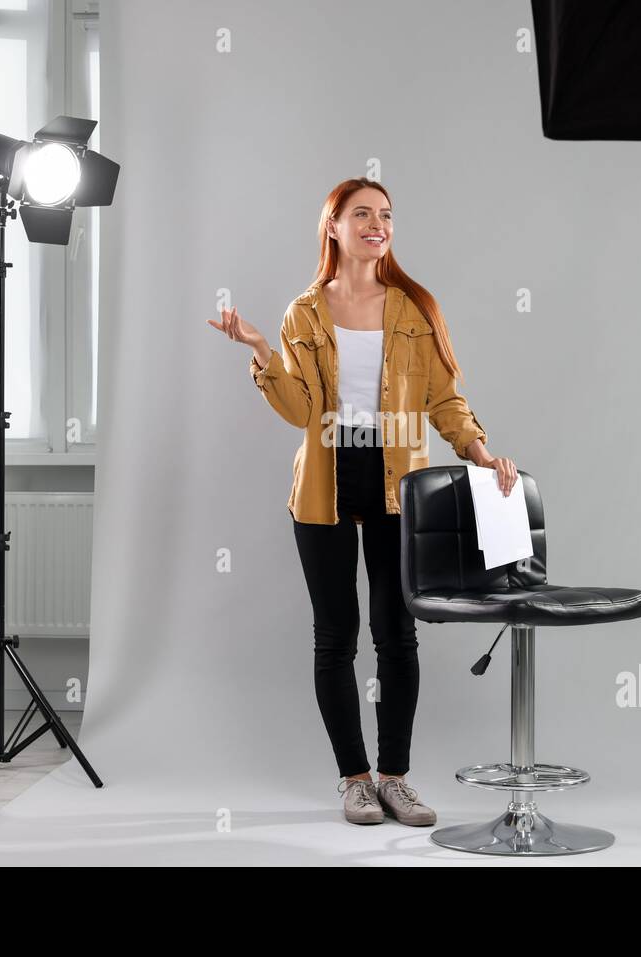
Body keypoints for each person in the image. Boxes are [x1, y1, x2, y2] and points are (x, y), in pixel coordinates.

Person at [208, 177, 517, 826]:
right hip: (323, 482)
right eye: (362, 214)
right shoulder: (305, 313)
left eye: (386, 215)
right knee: (335, 637)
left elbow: (444, 401)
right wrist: (262, 350)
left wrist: (481, 452)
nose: (377, 224)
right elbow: (299, 410)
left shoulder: (412, 310)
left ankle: (395, 778)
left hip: (395, 483)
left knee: (396, 633)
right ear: (333, 227)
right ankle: (353, 779)